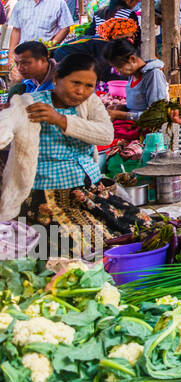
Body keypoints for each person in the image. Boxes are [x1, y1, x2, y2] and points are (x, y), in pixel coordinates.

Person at [0, 53, 115, 253]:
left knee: (137, 230)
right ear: (56, 79)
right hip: (47, 197)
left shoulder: (90, 103)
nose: (81, 91)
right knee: (82, 248)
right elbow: (5, 125)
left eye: (89, 86)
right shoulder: (29, 103)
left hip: (90, 192)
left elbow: (106, 135)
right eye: (75, 83)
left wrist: (60, 120)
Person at [7, 0, 73, 72]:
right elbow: (16, 31)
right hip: (24, 56)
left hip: (46, 56)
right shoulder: (20, 5)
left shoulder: (58, 3)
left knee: (44, 83)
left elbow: (65, 28)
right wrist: (11, 55)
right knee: (21, 83)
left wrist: (49, 46)